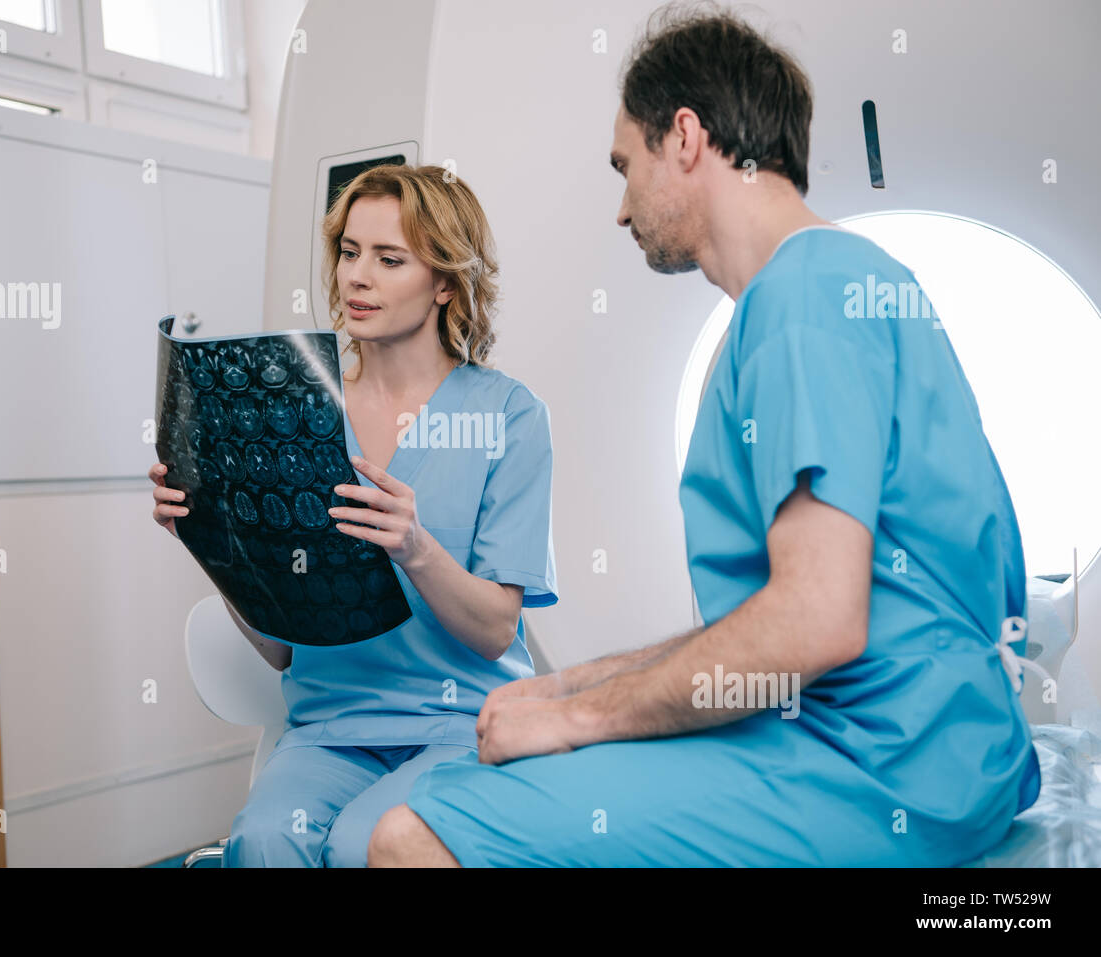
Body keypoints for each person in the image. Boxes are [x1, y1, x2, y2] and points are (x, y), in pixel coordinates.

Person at [368, 2, 1040, 867]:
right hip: (944, 746)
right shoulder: (842, 283)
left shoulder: (802, 302)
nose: (620, 210)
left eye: (625, 164)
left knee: (413, 835)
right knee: (470, 779)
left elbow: (813, 623)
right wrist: (570, 682)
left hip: (881, 764)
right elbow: (778, 612)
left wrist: (576, 717)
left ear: (684, 137)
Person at [149, 164, 558, 867]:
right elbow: (281, 647)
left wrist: (416, 547)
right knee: (262, 841)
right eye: (349, 251)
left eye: (389, 258)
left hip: (462, 722)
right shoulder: (296, 412)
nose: (356, 276)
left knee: (360, 844)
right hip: (328, 725)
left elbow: (495, 630)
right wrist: (214, 543)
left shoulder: (510, 416)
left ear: (445, 284)